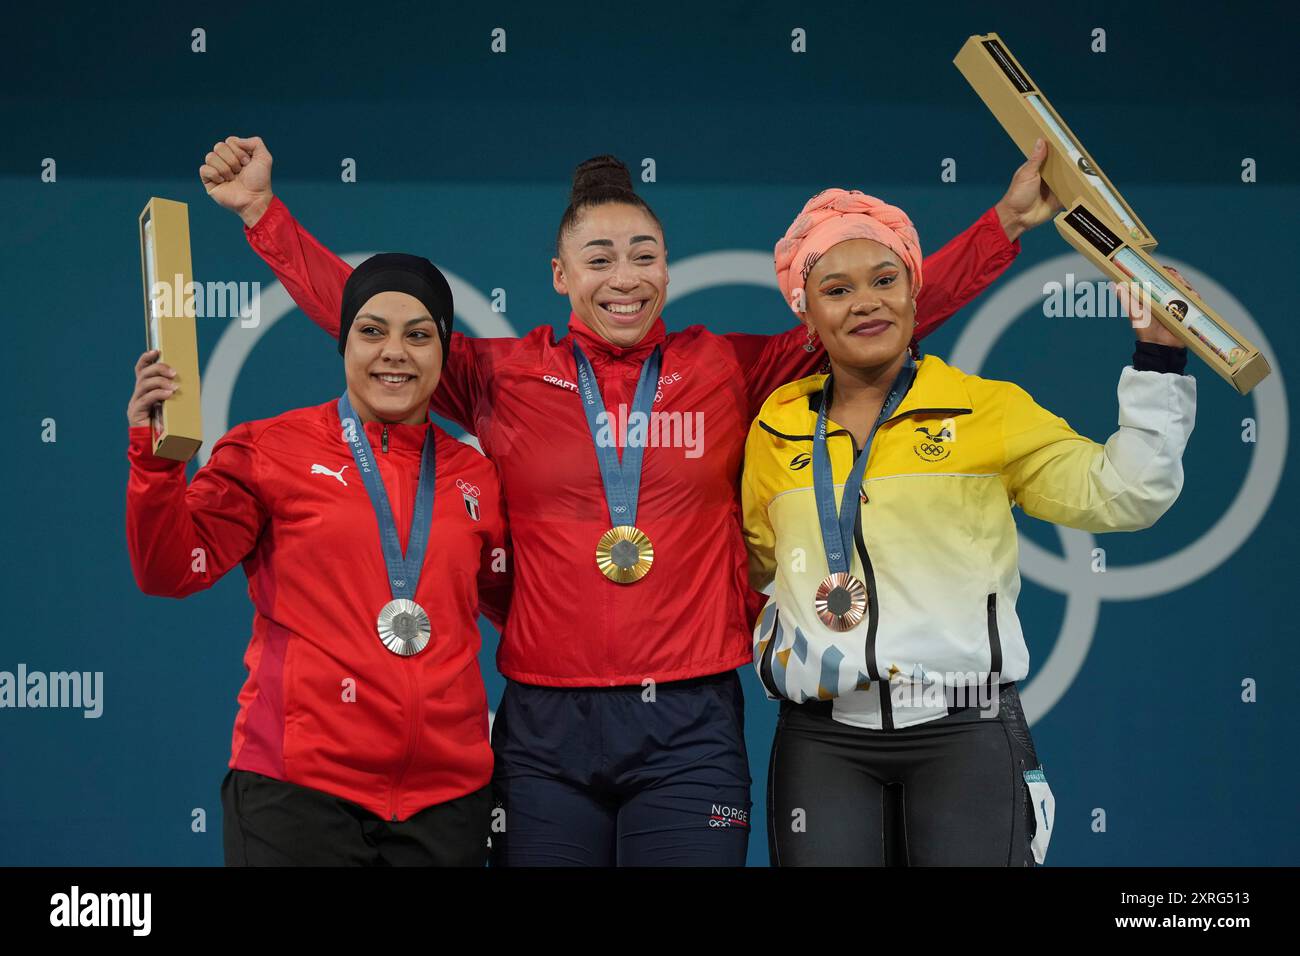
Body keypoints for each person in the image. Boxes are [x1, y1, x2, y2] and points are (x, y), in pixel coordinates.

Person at [196, 134, 1057, 866]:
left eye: (644, 256)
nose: (624, 278)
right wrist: (263, 218)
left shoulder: (728, 367)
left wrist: (1007, 224)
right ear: (560, 275)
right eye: (599, 259)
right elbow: (361, 315)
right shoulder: (500, 376)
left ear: (668, 270)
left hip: (688, 720)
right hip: (544, 723)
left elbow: (884, 314)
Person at [741, 189, 1197, 866]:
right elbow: (752, 567)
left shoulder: (986, 410)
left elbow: (1129, 494)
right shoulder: (775, 425)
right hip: (822, 743)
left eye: (885, 279)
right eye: (836, 289)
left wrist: (1157, 360)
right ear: (806, 312)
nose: (866, 302)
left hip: (965, 734)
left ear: (915, 290)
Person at [126, 254, 509, 866]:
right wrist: (154, 461)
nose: (395, 352)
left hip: (447, 801)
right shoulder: (270, 450)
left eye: (418, 334)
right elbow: (172, 569)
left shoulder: (477, 476)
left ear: (443, 349)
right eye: (372, 330)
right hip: (297, 793)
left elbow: (524, 611)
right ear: (344, 342)